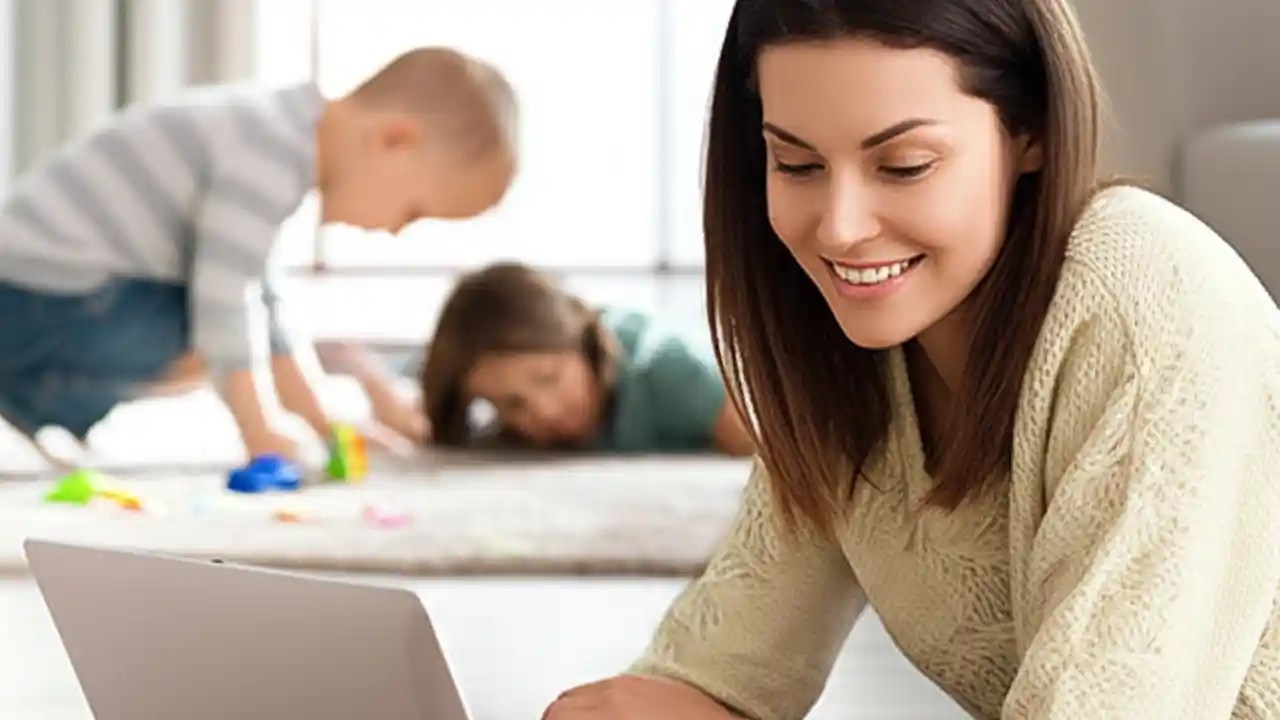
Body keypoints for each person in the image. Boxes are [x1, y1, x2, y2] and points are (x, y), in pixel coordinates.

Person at [544, 0, 1280, 718]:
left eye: (903, 165)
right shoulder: (850, 355)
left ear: (1031, 131)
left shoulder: (1144, 294)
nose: (840, 228)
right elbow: (713, 678)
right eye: (796, 164)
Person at [0, 47, 517, 468]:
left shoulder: (275, 127)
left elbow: (268, 304)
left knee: (245, 321)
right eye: (412, 212)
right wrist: (258, 427)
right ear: (395, 140)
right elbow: (228, 299)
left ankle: (26, 395)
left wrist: (322, 423)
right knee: (215, 332)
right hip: (33, 295)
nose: (396, 231)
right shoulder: (268, 153)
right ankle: (28, 392)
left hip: (45, 295)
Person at [410, 261, 753, 455]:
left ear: (581, 341)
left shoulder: (669, 367)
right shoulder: (510, 433)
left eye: (549, 378)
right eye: (513, 404)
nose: (544, 411)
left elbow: (774, 468)